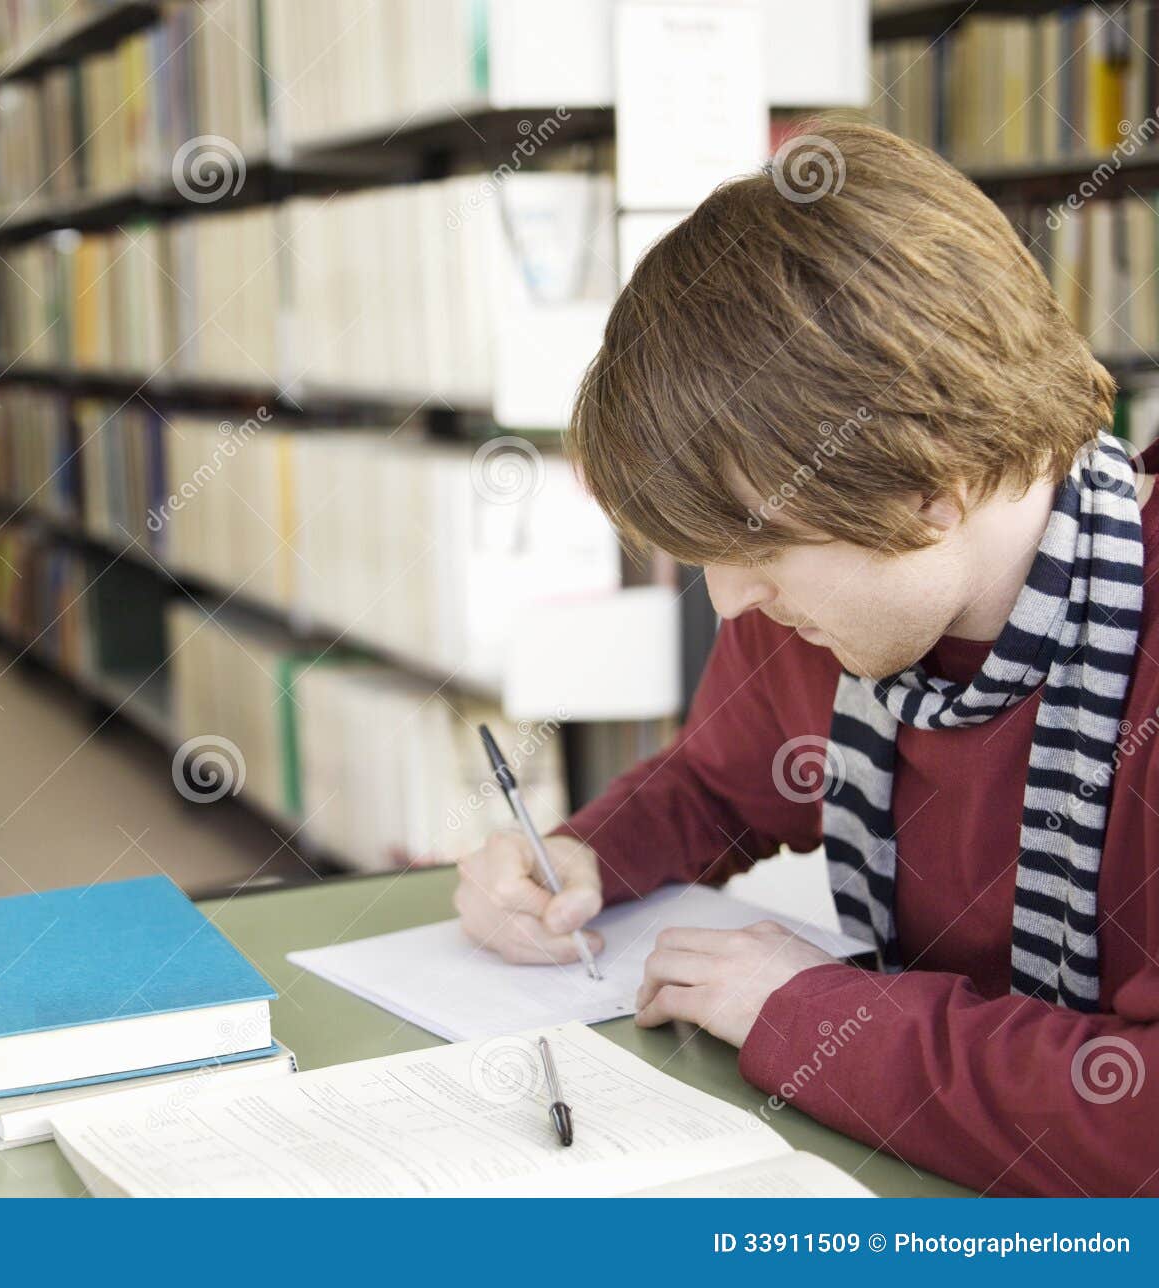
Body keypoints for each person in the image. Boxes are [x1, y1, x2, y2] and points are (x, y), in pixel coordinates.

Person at [453, 120, 1159, 1197]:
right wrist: (582, 857)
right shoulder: (819, 615)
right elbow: (717, 781)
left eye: (760, 549)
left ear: (936, 484)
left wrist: (814, 1014)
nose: (731, 601)